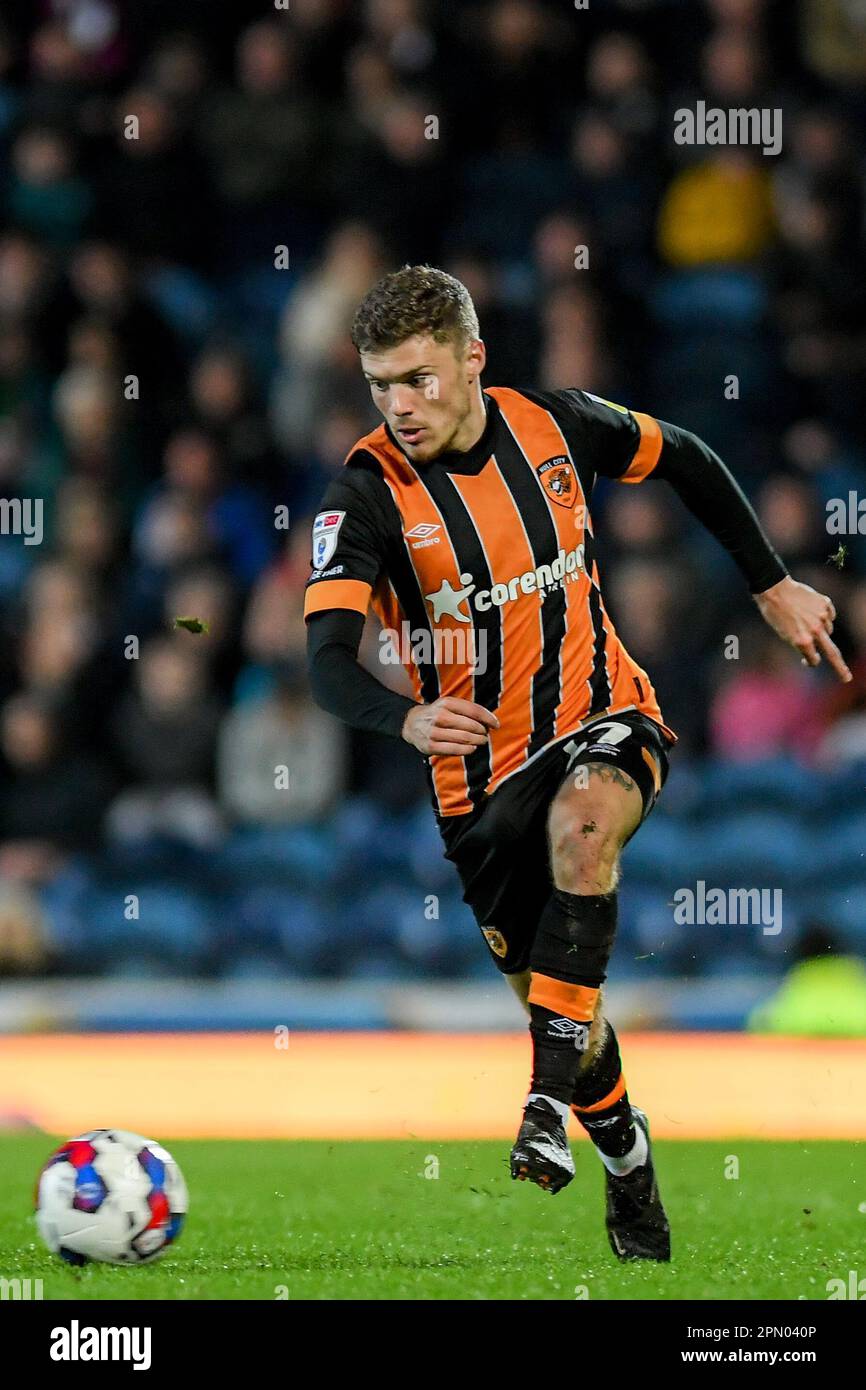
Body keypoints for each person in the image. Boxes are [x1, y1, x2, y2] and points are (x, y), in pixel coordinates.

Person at [304, 265, 850, 1262]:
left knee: (585, 823)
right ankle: (622, 1149)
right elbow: (327, 662)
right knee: (568, 1007)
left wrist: (770, 584)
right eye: (381, 384)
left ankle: (540, 1109)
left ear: (471, 358)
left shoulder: (554, 425)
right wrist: (404, 719)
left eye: (418, 379)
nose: (400, 405)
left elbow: (682, 453)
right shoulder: (365, 495)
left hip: (605, 713)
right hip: (476, 785)